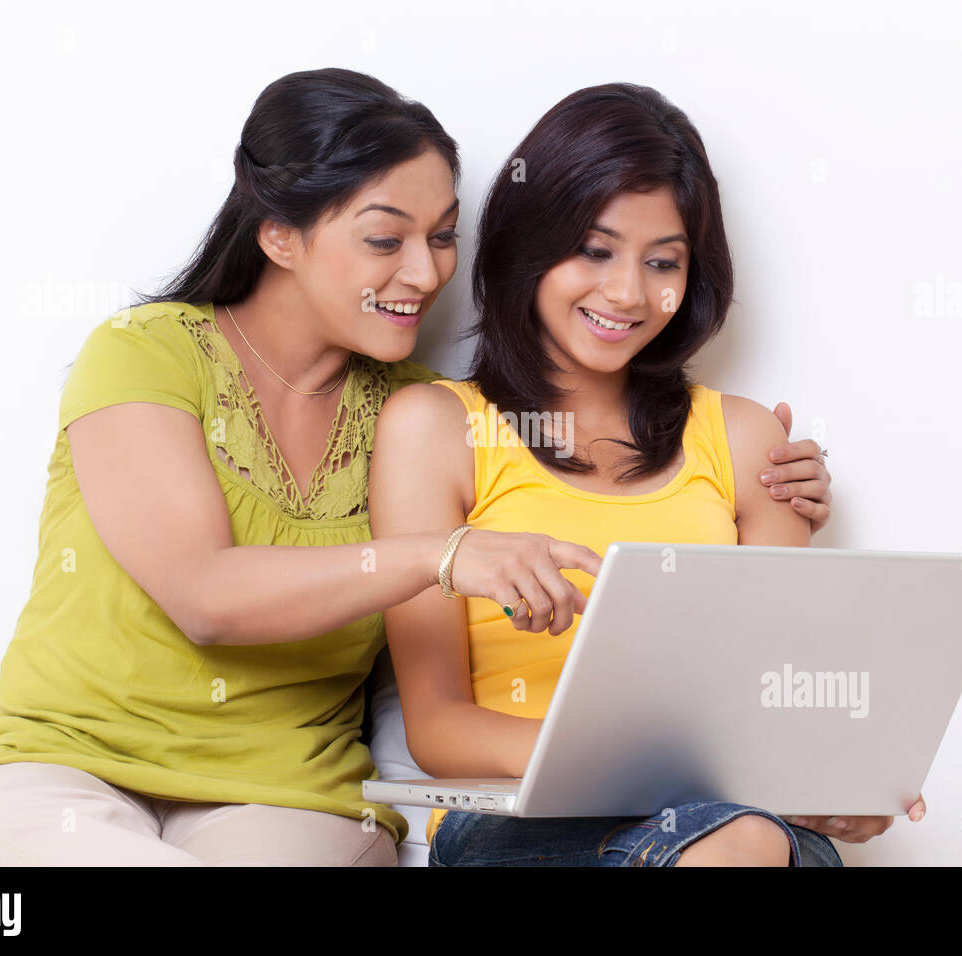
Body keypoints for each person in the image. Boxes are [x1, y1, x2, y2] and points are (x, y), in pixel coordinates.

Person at [0, 70, 833, 867]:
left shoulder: (406, 408)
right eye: (385, 237)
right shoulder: (147, 352)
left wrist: (786, 485)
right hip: (62, 769)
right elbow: (205, 592)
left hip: (285, 799)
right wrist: (446, 553)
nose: (425, 272)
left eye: (441, 236)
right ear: (279, 233)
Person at [368, 82, 905, 868]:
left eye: (664, 262)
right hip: (523, 819)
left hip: (735, 823)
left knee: (744, 839)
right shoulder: (436, 428)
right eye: (595, 250)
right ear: (531, 242)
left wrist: (841, 783)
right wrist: (639, 775)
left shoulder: (749, 439)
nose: (627, 293)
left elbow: (777, 701)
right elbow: (440, 727)